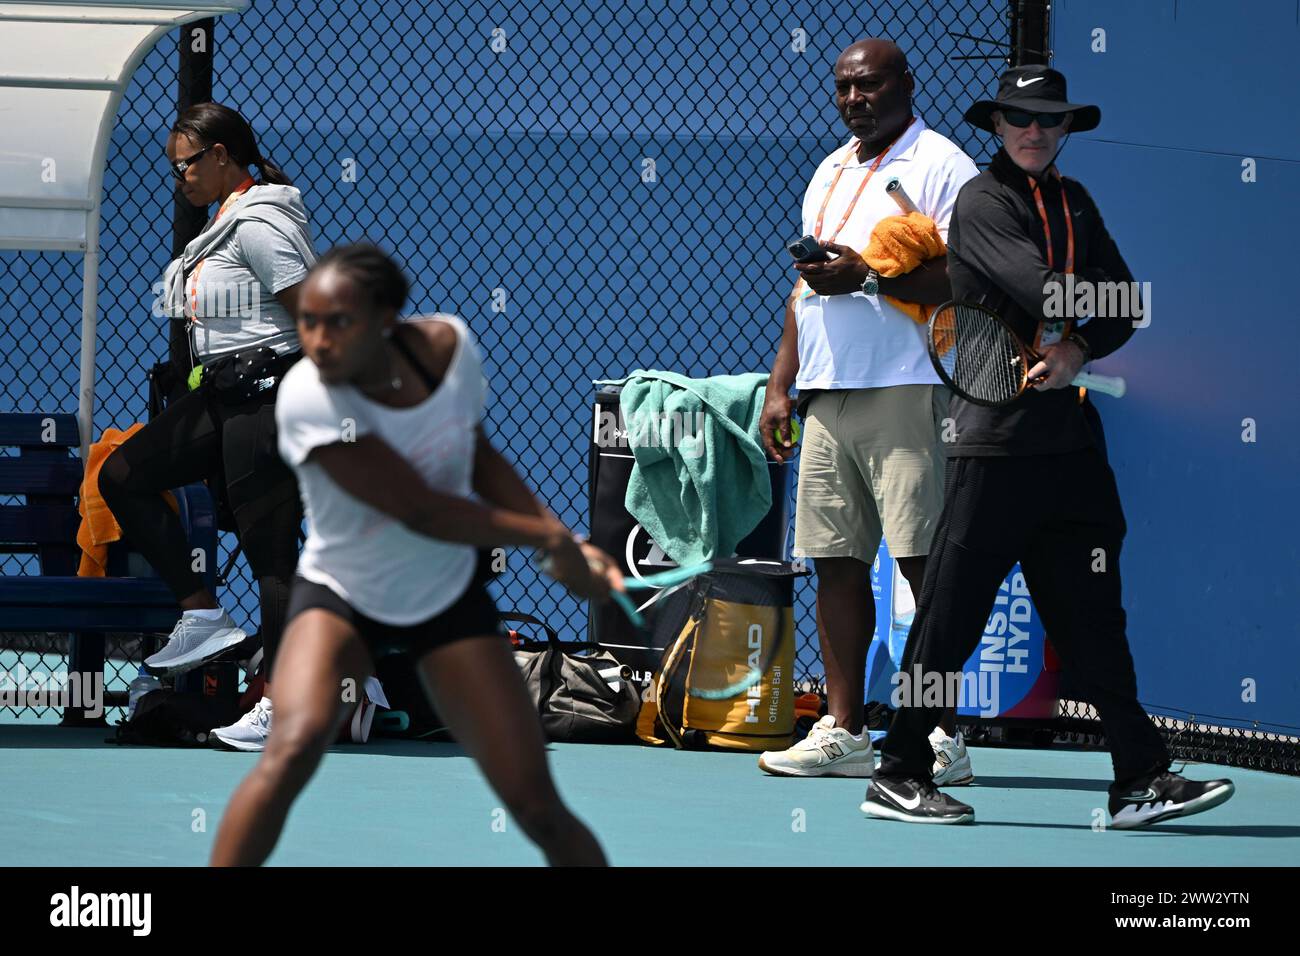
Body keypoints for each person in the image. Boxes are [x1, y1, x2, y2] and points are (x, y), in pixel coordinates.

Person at [861, 65, 1235, 827]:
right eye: (1021, 119)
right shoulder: (981, 203)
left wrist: (1077, 353)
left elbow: (1127, 302)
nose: (1036, 131)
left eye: (1050, 120)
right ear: (997, 126)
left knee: (1094, 617)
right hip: (994, 447)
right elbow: (1045, 291)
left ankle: (1139, 777)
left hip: (1069, 450)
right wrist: (1080, 317)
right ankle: (897, 769)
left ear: (1066, 130)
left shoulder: (1078, 202)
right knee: (950, 618)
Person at [210, 244, 619, 866]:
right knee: (291, 749)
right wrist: (551, 541)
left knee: (535, 801)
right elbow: (420, 509)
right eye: (308, 322)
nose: (317, 340)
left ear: (386, 319)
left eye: (338, 322)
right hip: (341, 594)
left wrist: (555, 535)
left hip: (444, 597)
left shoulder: (448, 351)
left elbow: (476, 455)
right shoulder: (306, 398)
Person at [757, 39, 979, 782]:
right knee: (835, 562)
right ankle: (844, 729)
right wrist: (781, 384)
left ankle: (941, 735)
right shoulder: (829, 168)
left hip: (908, 386)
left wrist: (871, 278)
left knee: (923, 564)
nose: (856, 98)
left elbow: (970, 277)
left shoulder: (943, 165)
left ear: (906, 85)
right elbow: (803, 290)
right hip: (827, 393)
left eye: (870, 84)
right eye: (845, 87)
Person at [99, 103, 313, 750]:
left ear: (222, 155)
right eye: (175, 167)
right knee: (124, 475)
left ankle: (281, 705)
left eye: (187, 163)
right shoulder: (223, 221)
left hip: (267, 398)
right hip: (220, 396)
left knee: (270, 555)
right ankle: (202, 612)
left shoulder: (260, 224)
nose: (180, 178)